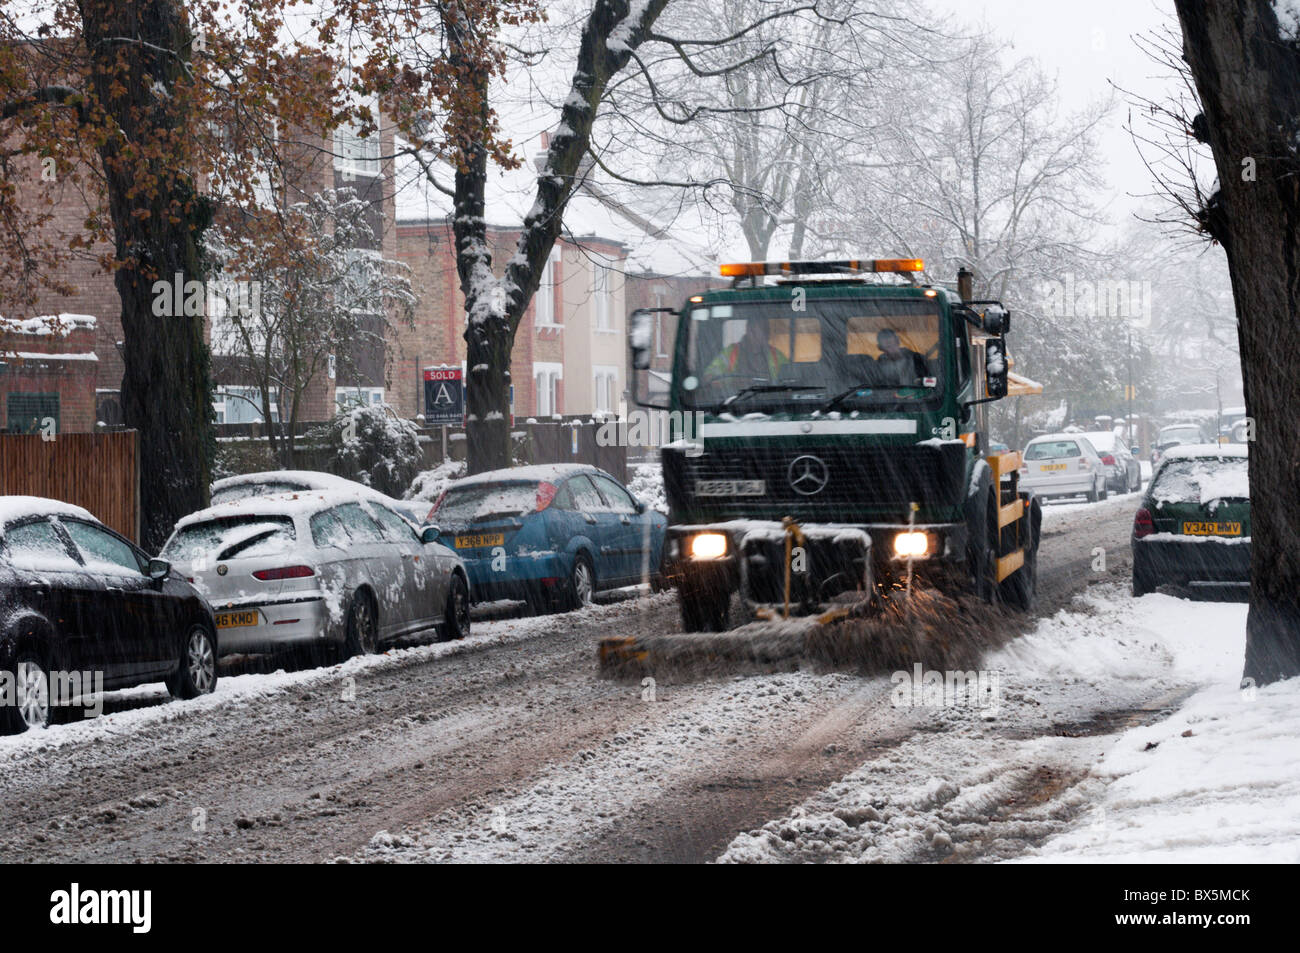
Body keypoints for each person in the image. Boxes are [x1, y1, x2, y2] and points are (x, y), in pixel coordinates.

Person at [704, 320, 788, 381]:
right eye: (754, 332)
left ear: (766, 335)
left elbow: (791, 379)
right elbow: (709, 377)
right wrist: (733, 382)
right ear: (748, 330)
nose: (757, 338)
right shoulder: (731, 352)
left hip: (769, 400)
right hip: (736, 400)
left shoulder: (776, 355)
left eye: (761, 334)